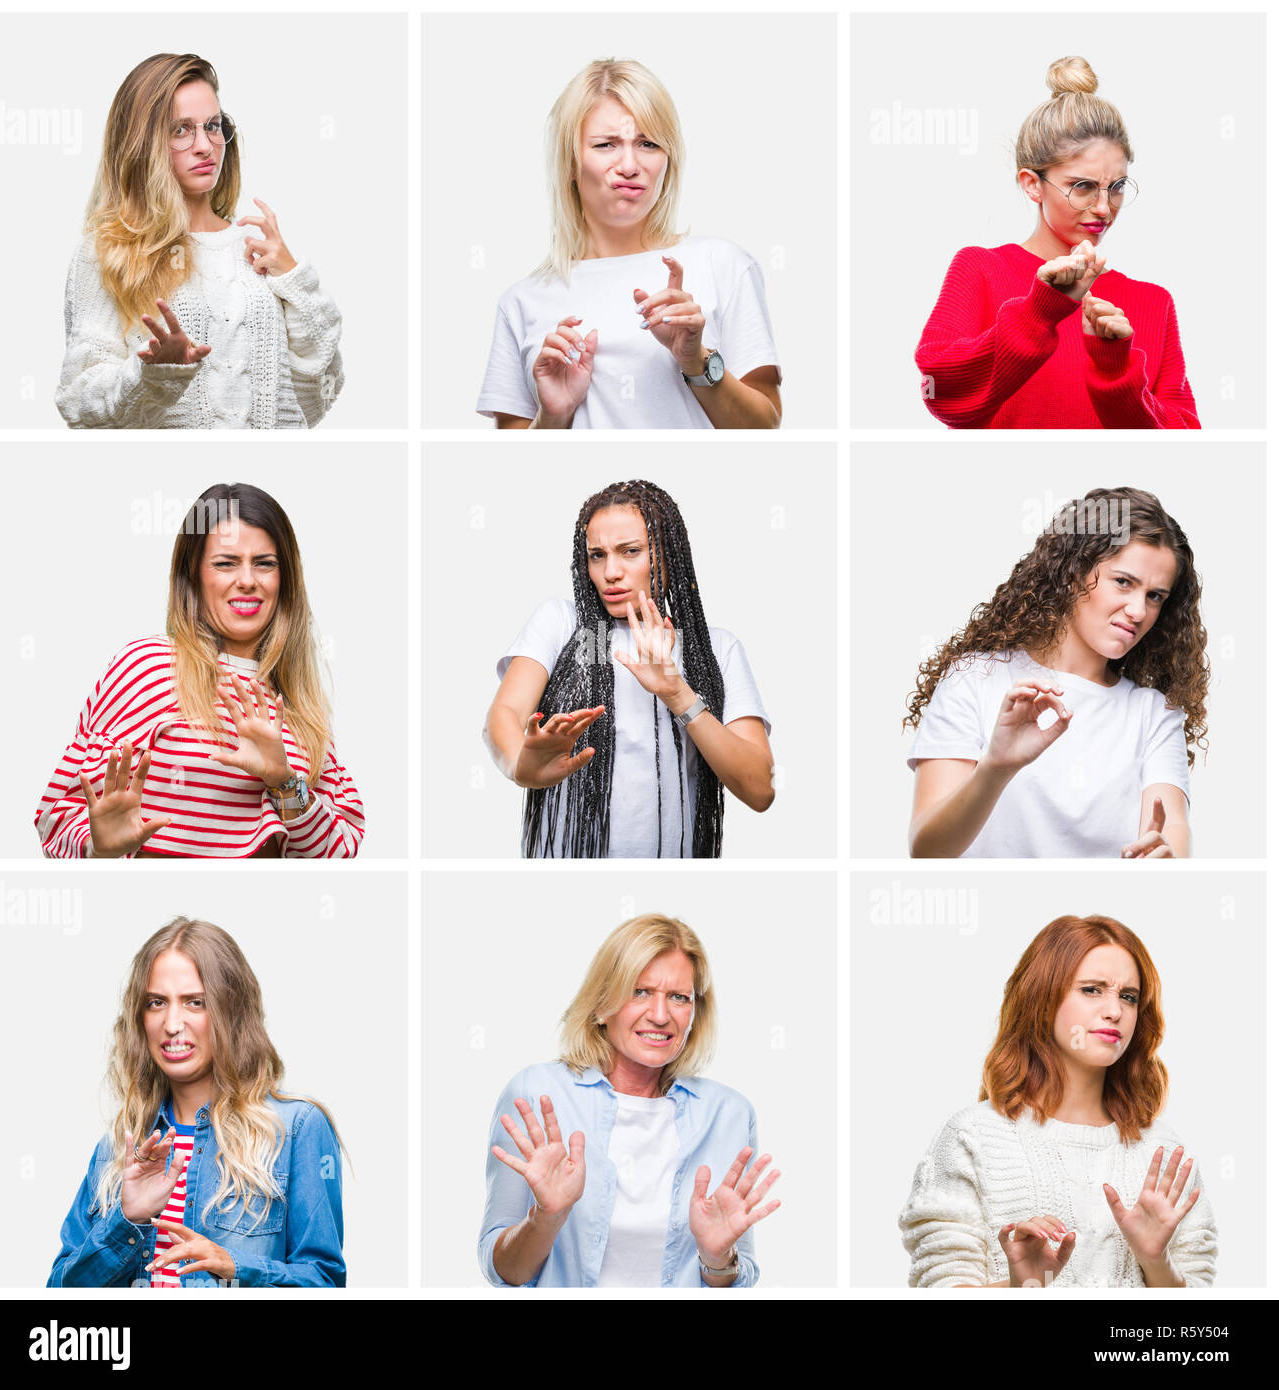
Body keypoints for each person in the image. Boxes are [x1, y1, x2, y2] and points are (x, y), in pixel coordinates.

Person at [35, 482, 365, 858]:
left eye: (265, 563)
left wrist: (284, 782)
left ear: (285, 579)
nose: (247, 580)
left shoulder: (302, 708)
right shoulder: (148, 666)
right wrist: (98, 848)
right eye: (225, 563)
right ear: (193, 575)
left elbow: (336, 859)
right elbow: (57, 822)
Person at [900, 914, 1217, 1288]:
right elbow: (938, 1286)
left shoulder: (1163, 1153)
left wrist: (1156, 1262)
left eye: (1128, 997)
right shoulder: (972, 1137)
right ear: (1042, 997)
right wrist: (1020, 1287)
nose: (1115, 1011)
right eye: (1092, 990)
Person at [476, 58, 781, 429]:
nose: (630, 165)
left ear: (668, 159)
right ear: (571, 162)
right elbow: (509, 472)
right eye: (606, 145)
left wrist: (695, 361)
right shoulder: (521, 302)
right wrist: (554, 415)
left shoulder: (724, 265)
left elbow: (764, 429)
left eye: (648, 143)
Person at [479, 913, 781, 1287]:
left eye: (678, 998)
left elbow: (736, 1276)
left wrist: (718, 1258)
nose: (660, 1015)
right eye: (640, 991)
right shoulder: (536, 1093)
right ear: (602, 1004)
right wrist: (546, 1218)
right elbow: (503, 1272)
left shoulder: (729, 1113)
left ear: (694, 1013)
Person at [904, 487, 1206, 858]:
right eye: (1123, 582)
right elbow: (927, 851)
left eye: (1155, 596)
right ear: (1073, 571)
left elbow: (1171, 826)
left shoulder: (1154, 713)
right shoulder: (973, 679)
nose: (1138, 611)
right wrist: (996, 768)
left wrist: (1167, 857)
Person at [49, 917, 345, 1287]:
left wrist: (235, 1266)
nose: (172, 1024)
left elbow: (325, 1283)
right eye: (157, 1002)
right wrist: (127, 1220)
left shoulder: (296, 1129)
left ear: (231, 1011)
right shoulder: (118, 1149)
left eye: (195, 1002)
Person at [485, 479, 774, 857]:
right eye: (597, 555)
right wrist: (520, 764)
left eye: (630, 551)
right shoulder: (560, 623)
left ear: (668, 554)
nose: (611, 572)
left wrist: (676, 692)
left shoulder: (717, 649)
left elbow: (759, 789)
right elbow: (504, 714)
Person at [56, 52, 342, 429]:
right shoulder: (106, 252)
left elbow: (318, 396)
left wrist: (296, 280)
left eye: (212, 125)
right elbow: (78, 403)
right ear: (143, 142)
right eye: (180, 130)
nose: (205, 145)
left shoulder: (258, 252)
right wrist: (152, 373)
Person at [915, 56, 1197, 429]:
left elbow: (1182, 441)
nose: (1103, 208)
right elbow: (943, 393)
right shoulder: (980, 268)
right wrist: (1039, 312)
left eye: (1116, 188)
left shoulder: (1153, 302)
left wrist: (1116, 369)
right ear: (1033, 184)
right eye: (1082, 187)